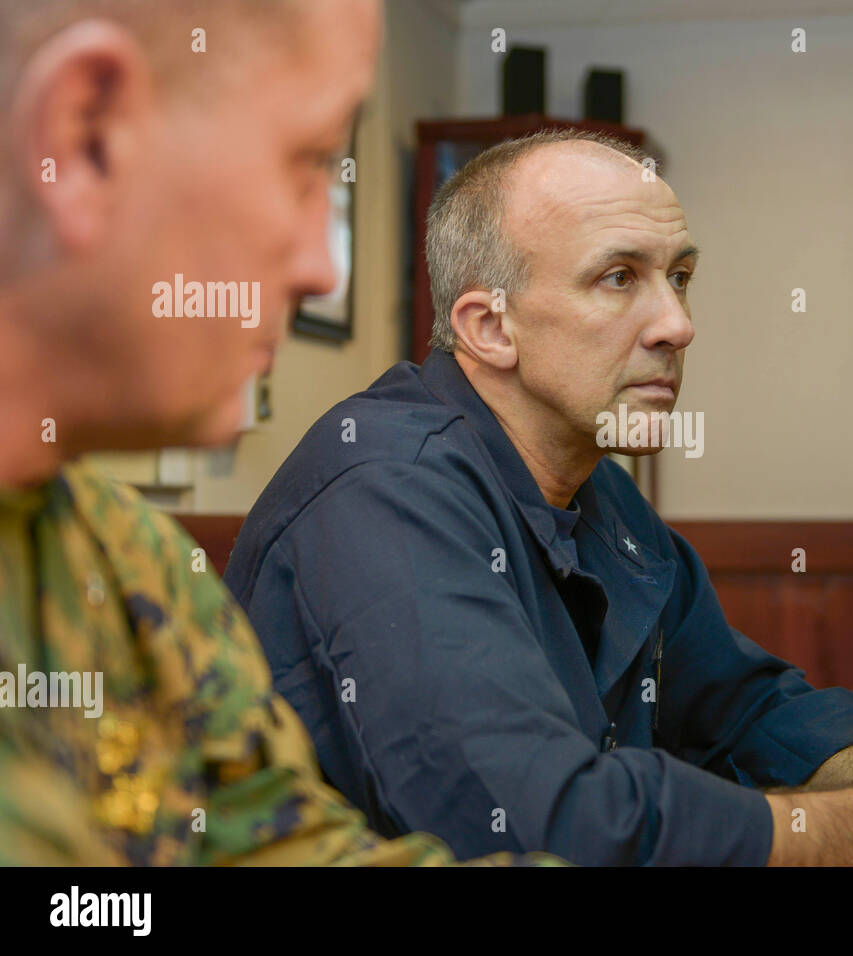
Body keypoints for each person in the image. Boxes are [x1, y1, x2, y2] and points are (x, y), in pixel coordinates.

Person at [225, 128, 853, 866]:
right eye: (620, 277)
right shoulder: (384, 491)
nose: (678, 324)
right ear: (490, 328)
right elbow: (542, 827)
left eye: (682, 276)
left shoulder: (602, 494)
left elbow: (748, 707)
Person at [0, 0, 555, 866]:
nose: (320, 267)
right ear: (85, 139)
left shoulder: (125, 560)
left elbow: (286, 850)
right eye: (307, 166)